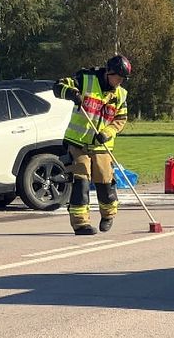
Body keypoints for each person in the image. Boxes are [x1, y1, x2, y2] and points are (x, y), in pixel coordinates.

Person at [53, 54, 131, 235]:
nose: (119, 82)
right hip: (77, 141)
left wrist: (107, 133)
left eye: (122, 79)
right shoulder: (85, 79)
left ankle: (108, 214)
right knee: (80, 179)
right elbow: (58, 86)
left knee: (104, 180)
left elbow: (121, 119)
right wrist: (72, 93)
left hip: (101, 145)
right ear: (108, 73)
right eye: (117, 77)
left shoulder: (121, 95)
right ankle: (81, 224)